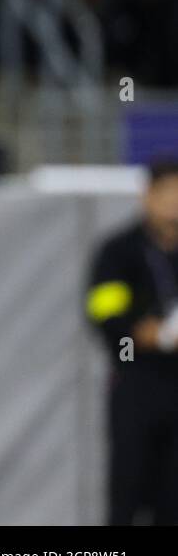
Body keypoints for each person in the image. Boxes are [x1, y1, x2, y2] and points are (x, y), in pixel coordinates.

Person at [86, 161, 178, 524]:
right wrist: (153, 334)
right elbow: (107, 319)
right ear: (148, 196)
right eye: (169, 194)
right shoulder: (118, 251)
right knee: (126, 495)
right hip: (136, 387)